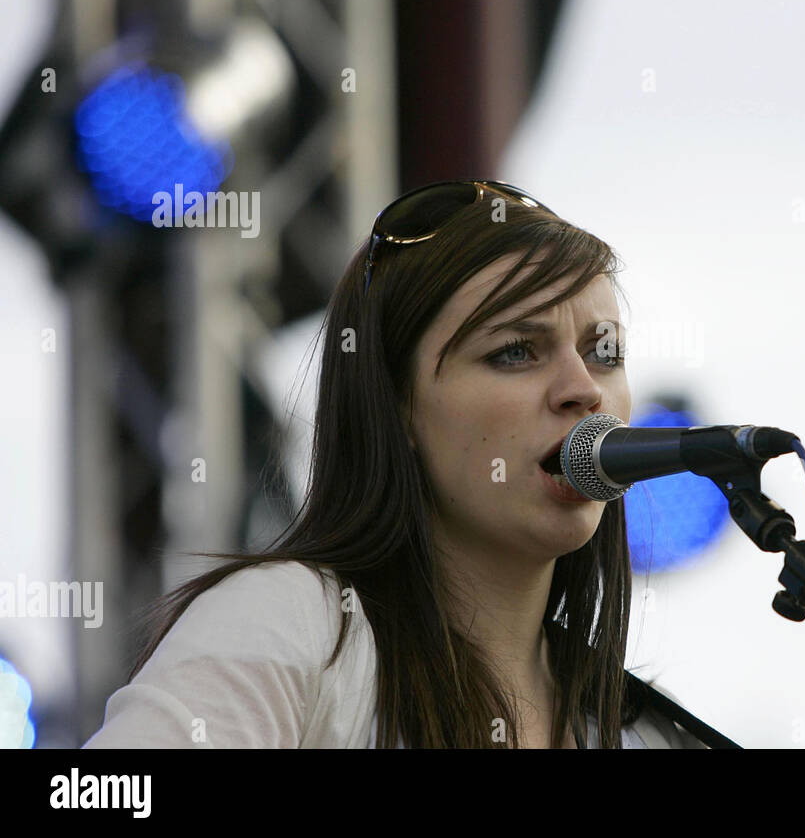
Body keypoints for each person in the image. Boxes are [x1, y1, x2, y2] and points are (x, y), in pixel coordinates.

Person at [82, 180, 709, 748]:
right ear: (396, 405)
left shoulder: (647, 732)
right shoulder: (291, 624)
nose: (584, 389)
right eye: (516, 351)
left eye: (605, 353)